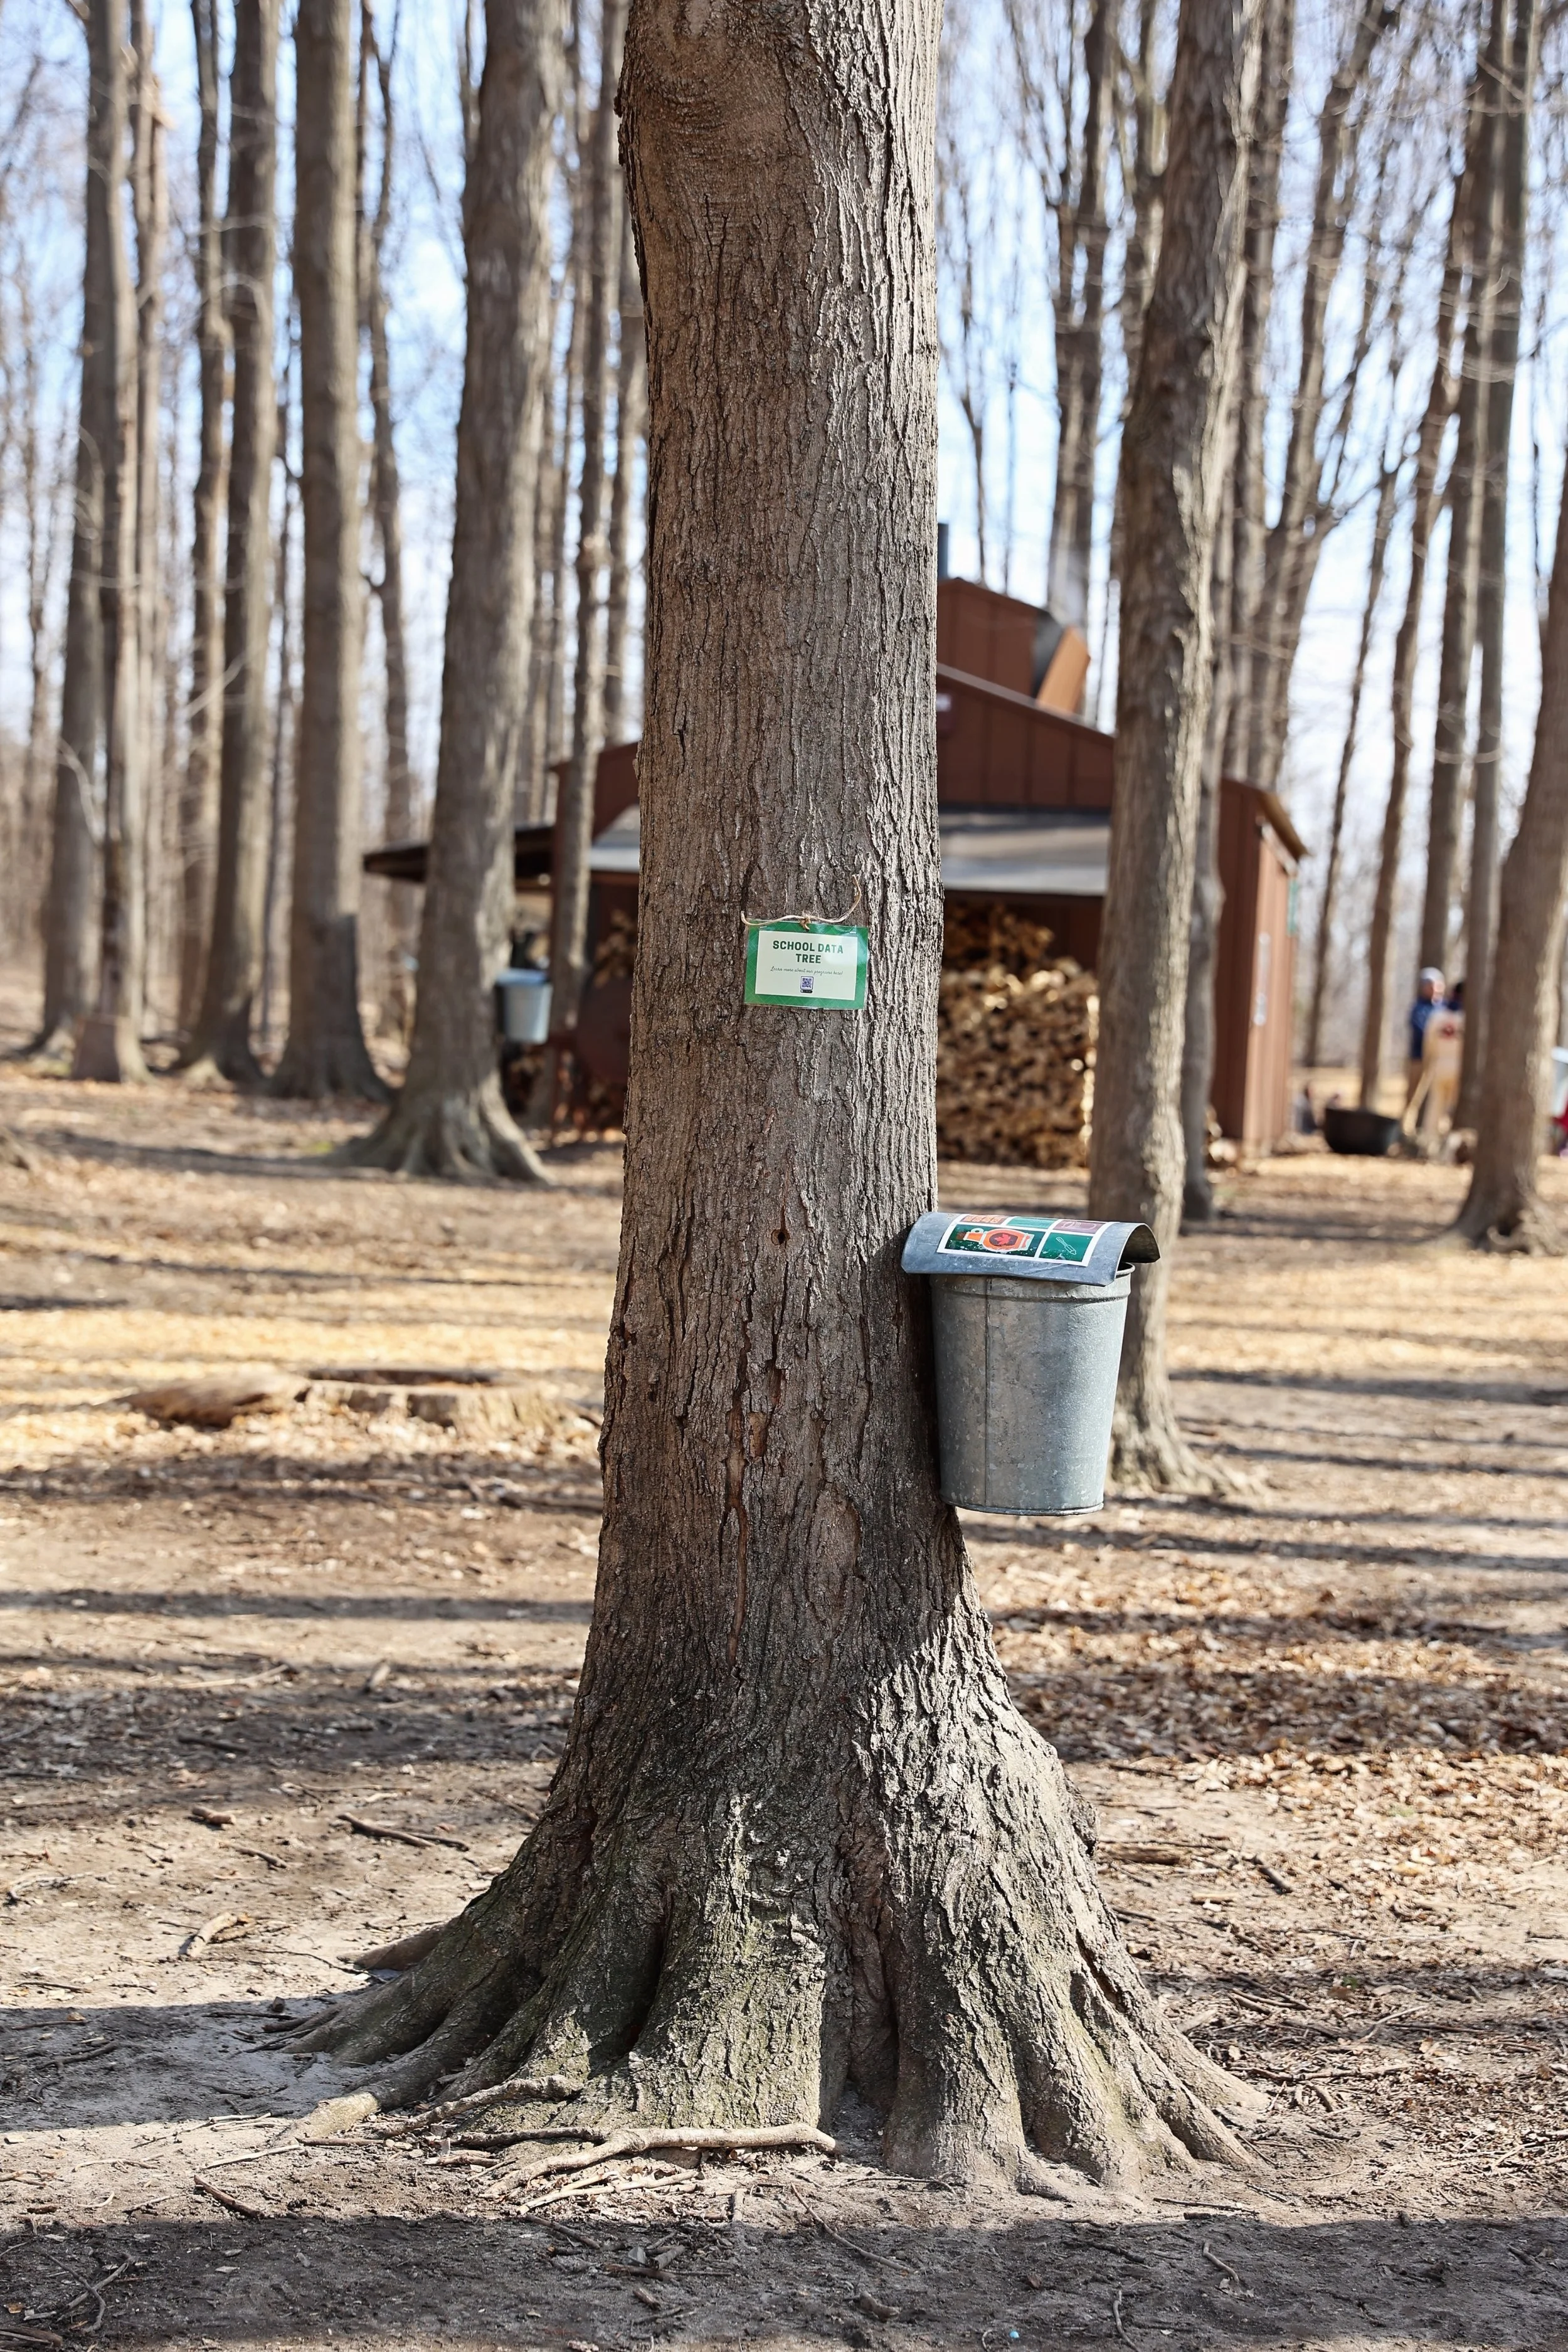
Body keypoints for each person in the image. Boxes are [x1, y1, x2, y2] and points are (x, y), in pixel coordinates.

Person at [1419, 978, 1465, 1148]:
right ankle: (1449, 1148)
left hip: (1439, 1065)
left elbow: (1428, 1043)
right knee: (1452, 1109)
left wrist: (1429, 1062)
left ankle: (1429, 1146)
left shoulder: (1437, 1016)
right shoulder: (1465, 1018)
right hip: (1458, 1066)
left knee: (1434, 1109)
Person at [1407, 967, 1444, 1102]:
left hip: (1441, 1059)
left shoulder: (1444, 1008)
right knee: (1414, 1095)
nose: (1434, 989)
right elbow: (1418, 1029)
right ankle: (1407, 1122)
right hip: (1420, 1058)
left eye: (1437, 985)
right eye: (1430, 986)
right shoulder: (1418, 1008)